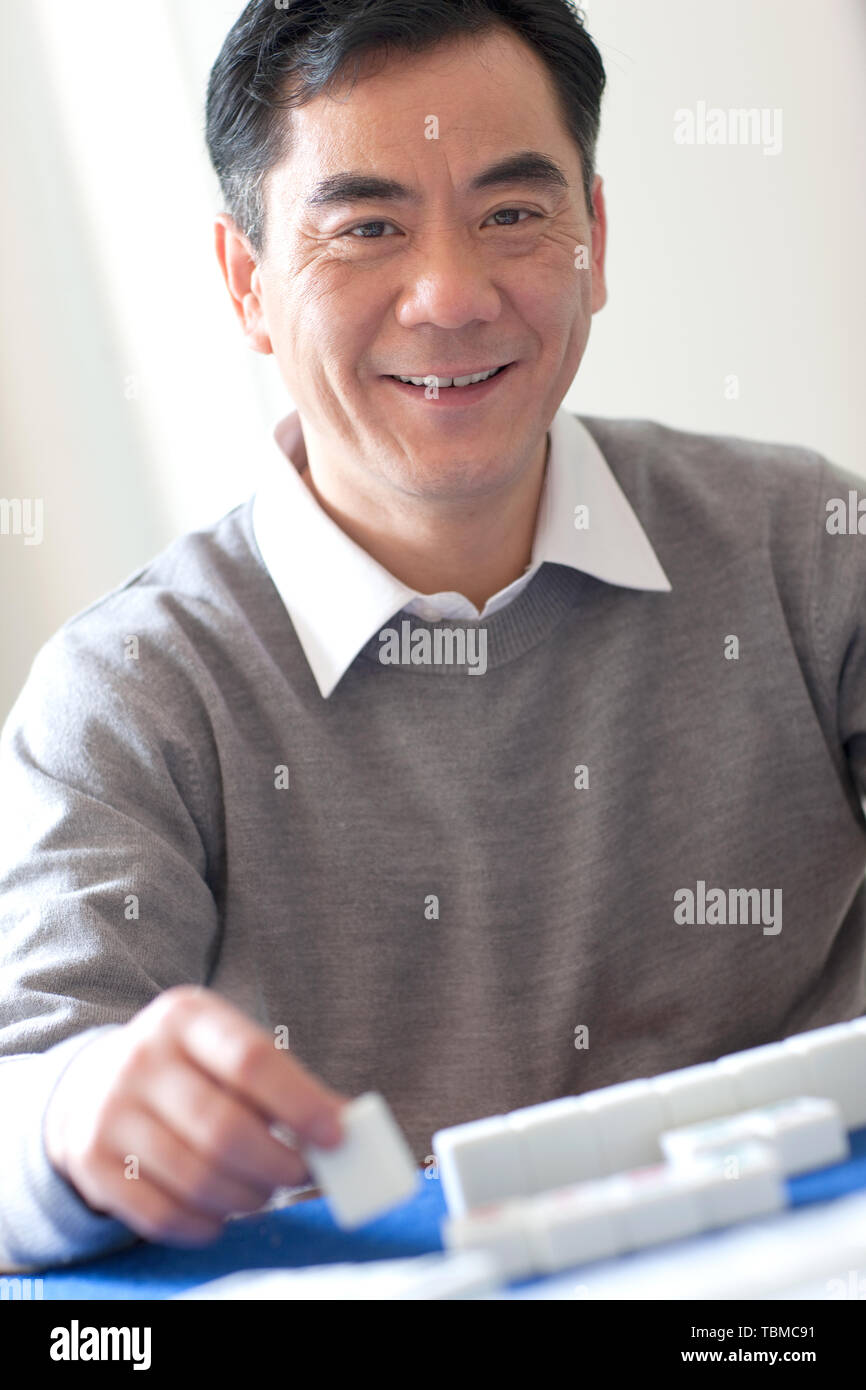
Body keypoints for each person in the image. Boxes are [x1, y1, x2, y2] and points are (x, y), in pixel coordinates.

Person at [2, 0, 864, 1271]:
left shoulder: (808, 544)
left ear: (596, 239)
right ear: (246, 282)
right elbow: (26, 1096)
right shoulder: (130, 694)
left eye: (513, 214)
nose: (451, 295)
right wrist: (85, 1119)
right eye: (366, 228)